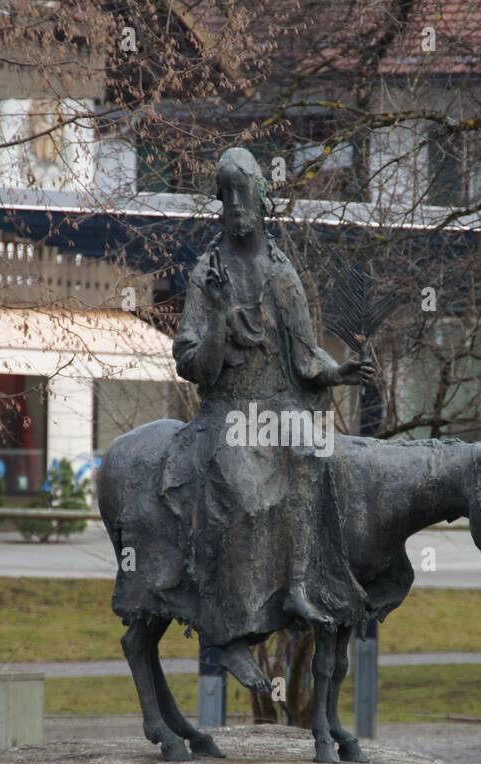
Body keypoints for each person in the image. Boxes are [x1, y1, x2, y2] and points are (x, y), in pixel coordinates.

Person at [157, 147, 373, 678]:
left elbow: (304, 356)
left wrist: (338, 374)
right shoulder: (208, 274)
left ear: (261, 199)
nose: (235, 205)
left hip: (279, 408)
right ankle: (230, 633)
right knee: (245, 496)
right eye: (225, 195)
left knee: (315, 458)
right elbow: (193, 365)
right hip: (228, 413)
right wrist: (218, 325)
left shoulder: (282, 274)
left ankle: (300, 588)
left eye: (243, 193)